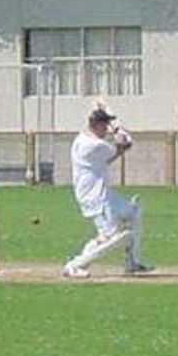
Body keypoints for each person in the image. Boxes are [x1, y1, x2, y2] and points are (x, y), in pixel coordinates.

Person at [62, 107, 152, 278]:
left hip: (104, 194)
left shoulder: (82, 137)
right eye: (104, 125)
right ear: (96, 125)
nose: (106, 129)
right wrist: (121, 135)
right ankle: (74, 265)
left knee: (134, 211)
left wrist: (121, 139)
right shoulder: (94, 145)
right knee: (111, 238)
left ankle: (132, 262)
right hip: (95, 197)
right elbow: (121, 147)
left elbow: (111, 157)